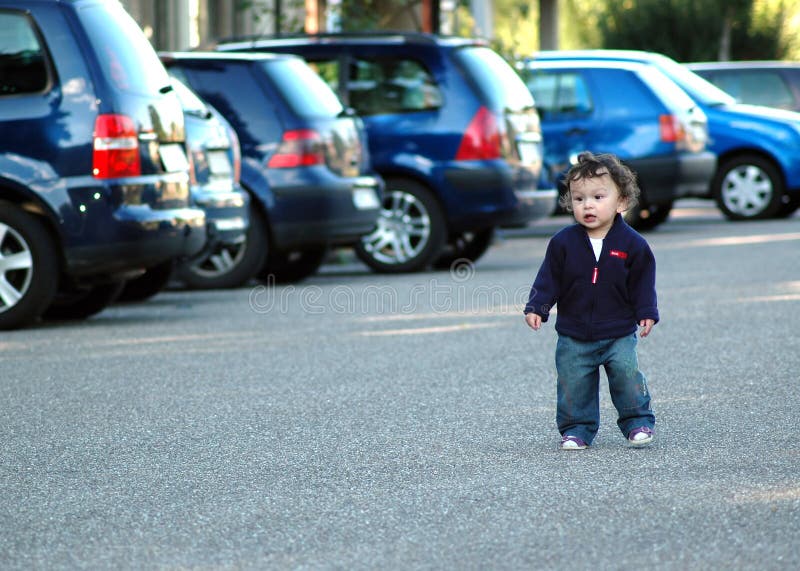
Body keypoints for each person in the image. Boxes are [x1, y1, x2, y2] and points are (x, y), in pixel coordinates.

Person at [524, 151, 659, 450]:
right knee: (573, 383)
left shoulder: (633, 244)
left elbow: (642, 283)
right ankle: (577, 429)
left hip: (619, 332)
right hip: (574, 333)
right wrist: (537, 307)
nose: (588, 205)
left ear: (621, 201)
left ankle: (637, 421)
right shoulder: (563, 243)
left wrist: (646, 311)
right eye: (579, 199)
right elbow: (548, 279)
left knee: (626, 375)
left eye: (598, 197)